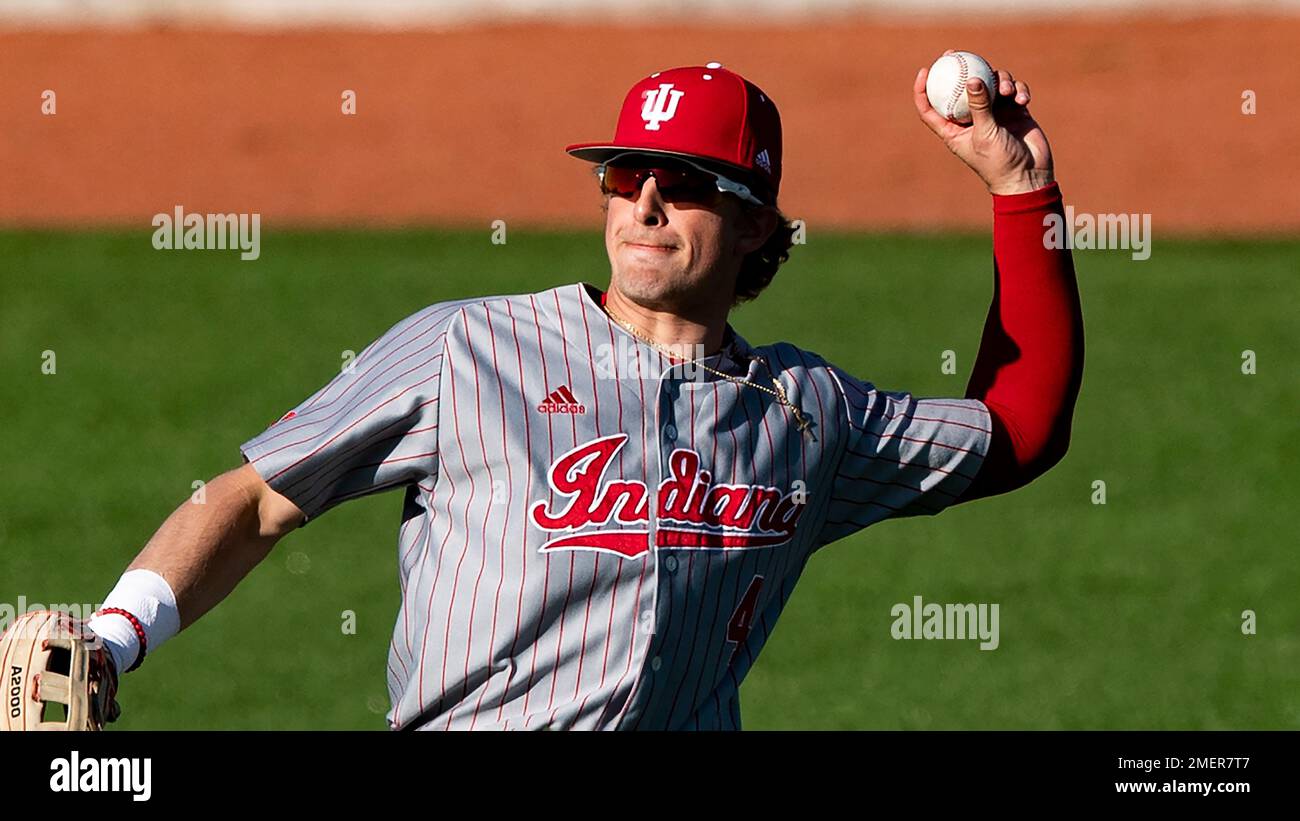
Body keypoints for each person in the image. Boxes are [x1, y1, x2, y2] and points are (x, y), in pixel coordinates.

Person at [23, 60, 1083, 731]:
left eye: (688, 181)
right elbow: (255, 497)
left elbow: (1021, 426)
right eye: (627, 176)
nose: (647, 200)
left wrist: (1020, 192)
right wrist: (113, 637)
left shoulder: (806, 412)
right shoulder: (466, 349)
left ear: (759, 222)